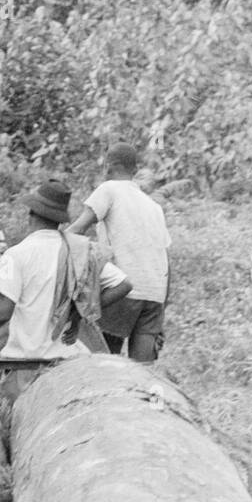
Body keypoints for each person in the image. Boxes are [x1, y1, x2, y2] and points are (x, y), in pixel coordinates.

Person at [0, 179, 132, 399]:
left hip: (27, 364)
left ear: (31, 215)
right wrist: (78, 313)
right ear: (59, 220)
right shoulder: (79, 251)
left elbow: (1, 314)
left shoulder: (18, 255)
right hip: (69, 361)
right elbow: (123, 285)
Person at [67, 142, 171, 361]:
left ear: (108, 166)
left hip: (123, 292)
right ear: (134, 170)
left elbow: (77, 230)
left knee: (104, 364)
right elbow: (165, 262)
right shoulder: (154, 206)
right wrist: (161, 309)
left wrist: (45, 245)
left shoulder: (109, 189)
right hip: (155, 295)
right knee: (144, 371)